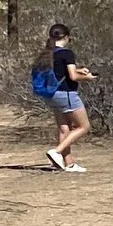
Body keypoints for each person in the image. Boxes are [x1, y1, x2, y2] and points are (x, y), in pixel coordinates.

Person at [37, 23, 94, 173]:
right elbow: (73, 76)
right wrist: (87, 77)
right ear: (67, 37)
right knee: (84, 126)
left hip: (52, 94)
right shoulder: (67, 54)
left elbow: (61, 72)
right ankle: (57, 151)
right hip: (67, 94)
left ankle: (67, 163)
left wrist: (79, 69)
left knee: (64, 128)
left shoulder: (48, 53)